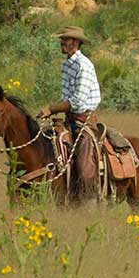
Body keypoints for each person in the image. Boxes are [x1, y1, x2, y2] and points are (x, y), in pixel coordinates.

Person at [39, 27, 102, 182]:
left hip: (83, 120)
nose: (61, 42)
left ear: (75, 42)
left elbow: (78, 101)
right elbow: (67, 97)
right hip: (70, 118)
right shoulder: (67, 65)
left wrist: (51, 109)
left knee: (84, 166)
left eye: (65, 39)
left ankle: (90, 200)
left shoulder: (84, 65)